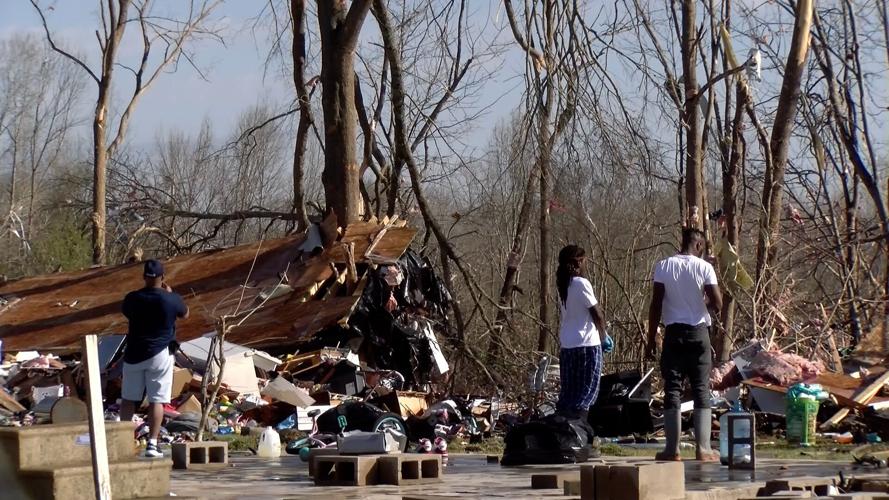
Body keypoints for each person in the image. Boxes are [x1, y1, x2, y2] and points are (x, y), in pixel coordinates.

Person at [646, 228, 722, 462]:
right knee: (701, 389)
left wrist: (650, 339)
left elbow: (656, 304)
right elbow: (718, 304)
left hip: (673, 334)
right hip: (699, 334)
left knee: (673, 388)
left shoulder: (664, 266)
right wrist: (703, 301)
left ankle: (672, 450)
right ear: (699, 246)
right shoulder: (704, 267)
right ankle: (703, 449)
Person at [120, 259, 189, 458]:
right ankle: (152, 443)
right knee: (157, 400)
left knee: (128, 399)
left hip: (134, 353)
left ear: (143, 277)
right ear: (162, 277)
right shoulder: (171, 299)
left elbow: (126, 312)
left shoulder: (132, 298)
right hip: (160, 353)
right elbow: (185, 314)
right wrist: (170, 294)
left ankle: (123, 443)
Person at [555, 245, 609, 420]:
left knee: (569, 393)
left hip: (568, 345)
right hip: (587, 344)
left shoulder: (563, 284)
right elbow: (596, 313)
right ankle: (577, 432)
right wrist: (604, 336)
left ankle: (562, 428)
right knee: (586, 393)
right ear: (578, 262)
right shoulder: (581, 283)